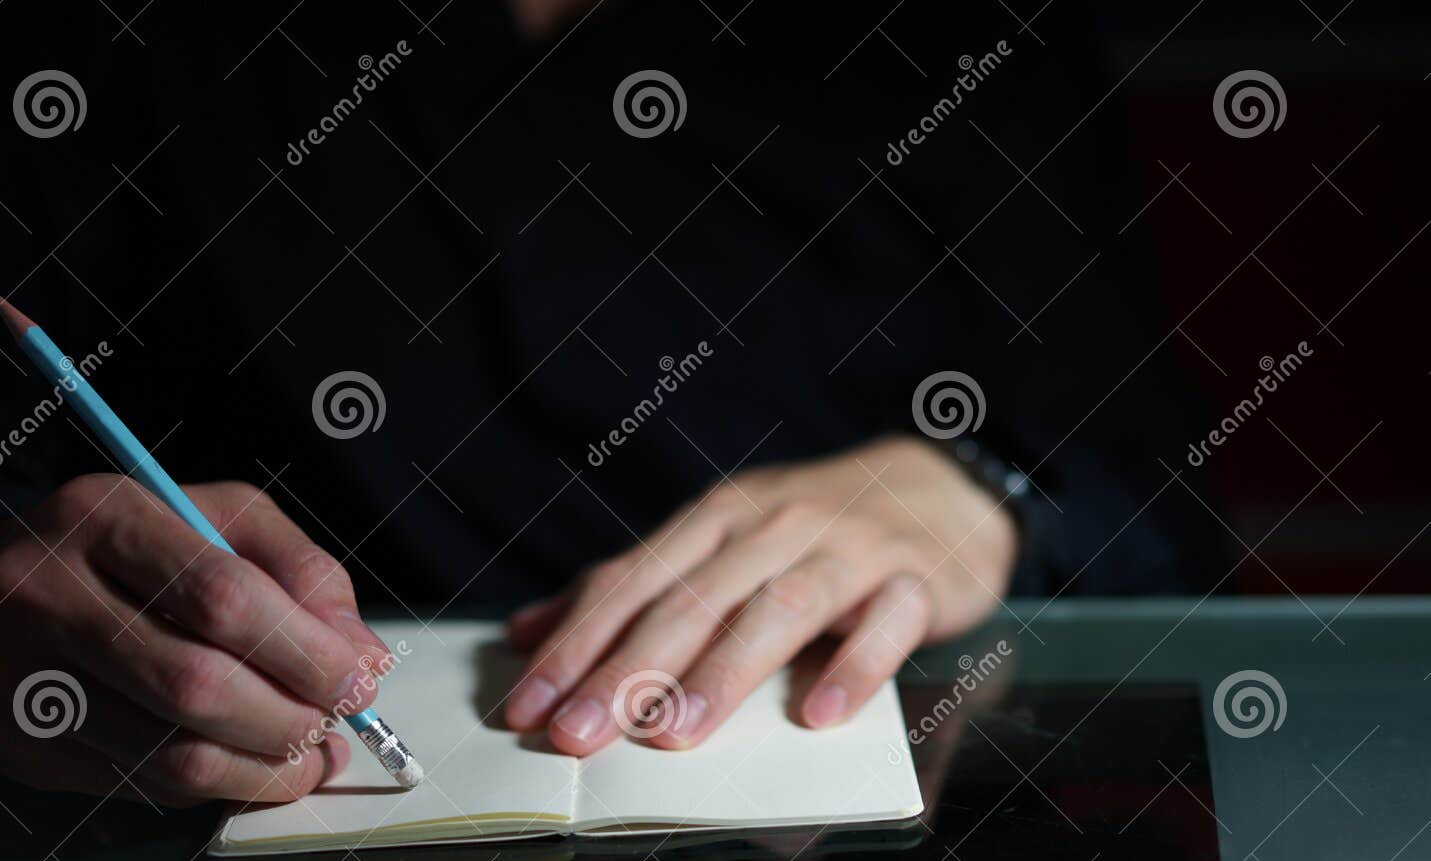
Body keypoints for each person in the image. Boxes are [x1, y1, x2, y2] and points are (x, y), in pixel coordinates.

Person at [0, 1, 1220, 804]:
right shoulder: (98, 37)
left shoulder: (964, 29)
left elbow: (1160, 501)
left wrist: (990, 496)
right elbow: (33, 518)